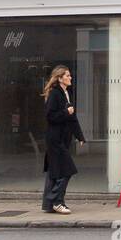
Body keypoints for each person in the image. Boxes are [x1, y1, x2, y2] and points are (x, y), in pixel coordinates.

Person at [41, 65, 84, 214]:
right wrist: (66, 112)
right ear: (60, 78)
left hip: (63, 139)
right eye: (67, 75)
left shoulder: (66, 93)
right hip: (55, 139)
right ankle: (57, 201)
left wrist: (80, 136)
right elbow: (50, 116)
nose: (70, 78)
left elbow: (72, 119)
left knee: (56, 172)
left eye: (70, 75)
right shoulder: (55, 94)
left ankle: (50, 204)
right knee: (67, 170)